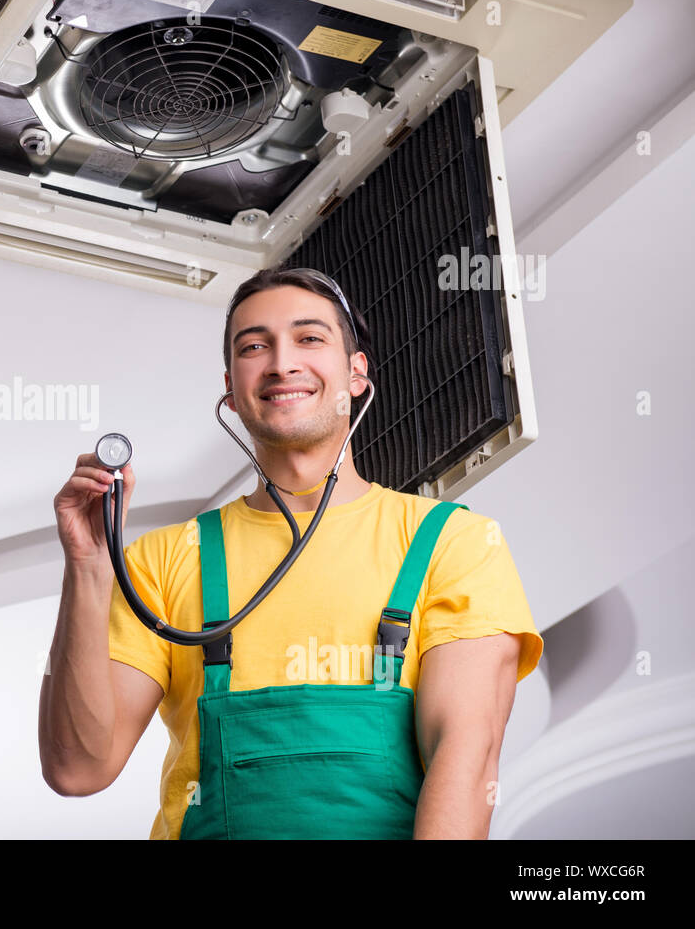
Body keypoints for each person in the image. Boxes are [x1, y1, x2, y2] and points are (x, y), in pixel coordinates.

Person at [39, 266, 544, 839]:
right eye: (255, 346)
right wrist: (87, 567)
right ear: (230, 388)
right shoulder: (163, 560)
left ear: (357, 374)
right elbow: (77, 768)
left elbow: (468, 751)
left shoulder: (451, 542)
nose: (282, 363)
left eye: (309, 338)